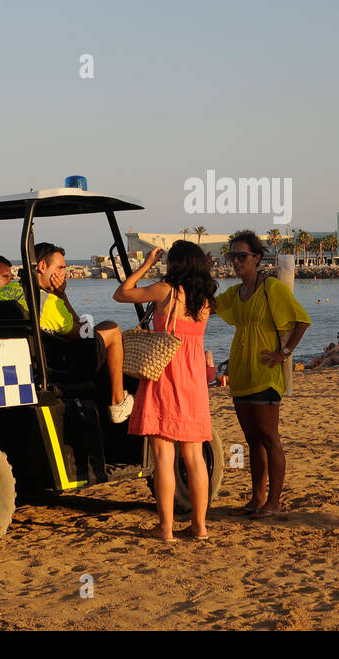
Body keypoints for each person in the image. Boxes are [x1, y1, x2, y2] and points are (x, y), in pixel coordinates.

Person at [113, 241, 216, 541]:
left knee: (163, 456)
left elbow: (121, 293)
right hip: (194, 381)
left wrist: (145, 264)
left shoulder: (165, 291)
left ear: (176, 264)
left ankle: (166, 528)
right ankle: (199, 526)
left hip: (165, 376)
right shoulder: (205, 300)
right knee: (195, 456)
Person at [214, 232, 311, 520]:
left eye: (242, 256)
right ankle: (257, 497)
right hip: (242, 372)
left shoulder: (271, 288)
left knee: (269, 437)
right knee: (251, 439)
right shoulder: (235, 293)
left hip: (266, 372)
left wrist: (285, 353)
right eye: (232, 256)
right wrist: (203, 273)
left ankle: (274, 500)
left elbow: (301, 320)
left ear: (257, 258)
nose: (236, 262)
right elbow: (210, 305)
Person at [29, 242, 134, 421]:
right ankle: (118, 402)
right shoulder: (49, 302)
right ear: (42, 267)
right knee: (112, 328)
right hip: (60, 365)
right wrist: (62, 296)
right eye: (60, 267)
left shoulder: (8, 291)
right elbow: (84, 334)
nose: (65, 272)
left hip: (34, 361)